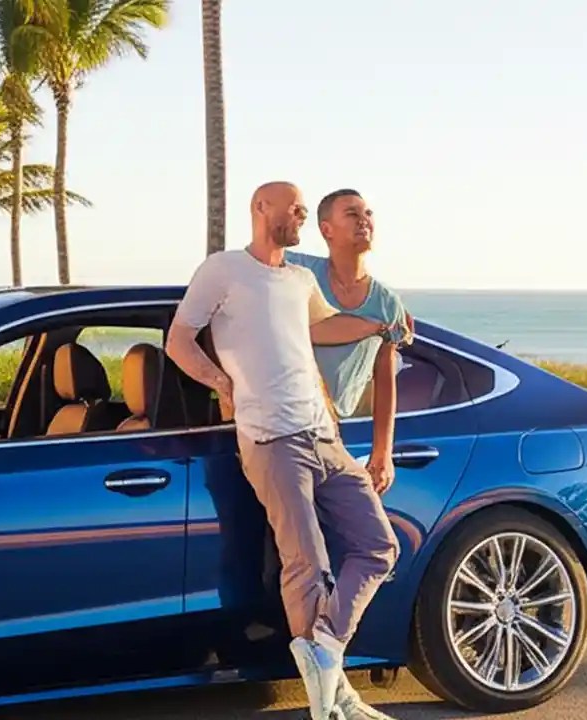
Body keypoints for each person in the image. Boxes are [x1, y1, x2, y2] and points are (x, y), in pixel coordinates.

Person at [165, 181, 402, 720]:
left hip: (323, 434)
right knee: (308, 565)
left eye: (303, 207)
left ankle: (326, 657)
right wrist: (220, 382)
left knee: (378, 545)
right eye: (293, 206)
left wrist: (379, 324)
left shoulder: (299, 280)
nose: (300, 214)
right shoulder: (223, 270)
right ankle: (331, 701)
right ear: (261, 209)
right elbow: (179, 339)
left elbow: (326, 327)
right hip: (271, 439)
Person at [286, 188, 414, 498]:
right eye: (352, 214)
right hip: (287, 425)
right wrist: (370, 327)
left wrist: (382, 453)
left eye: (368, 213)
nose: (364, 221)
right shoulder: (297, 270)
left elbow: (384, 377)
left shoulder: (386, 302)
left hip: (337, 432)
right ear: (326, 229)